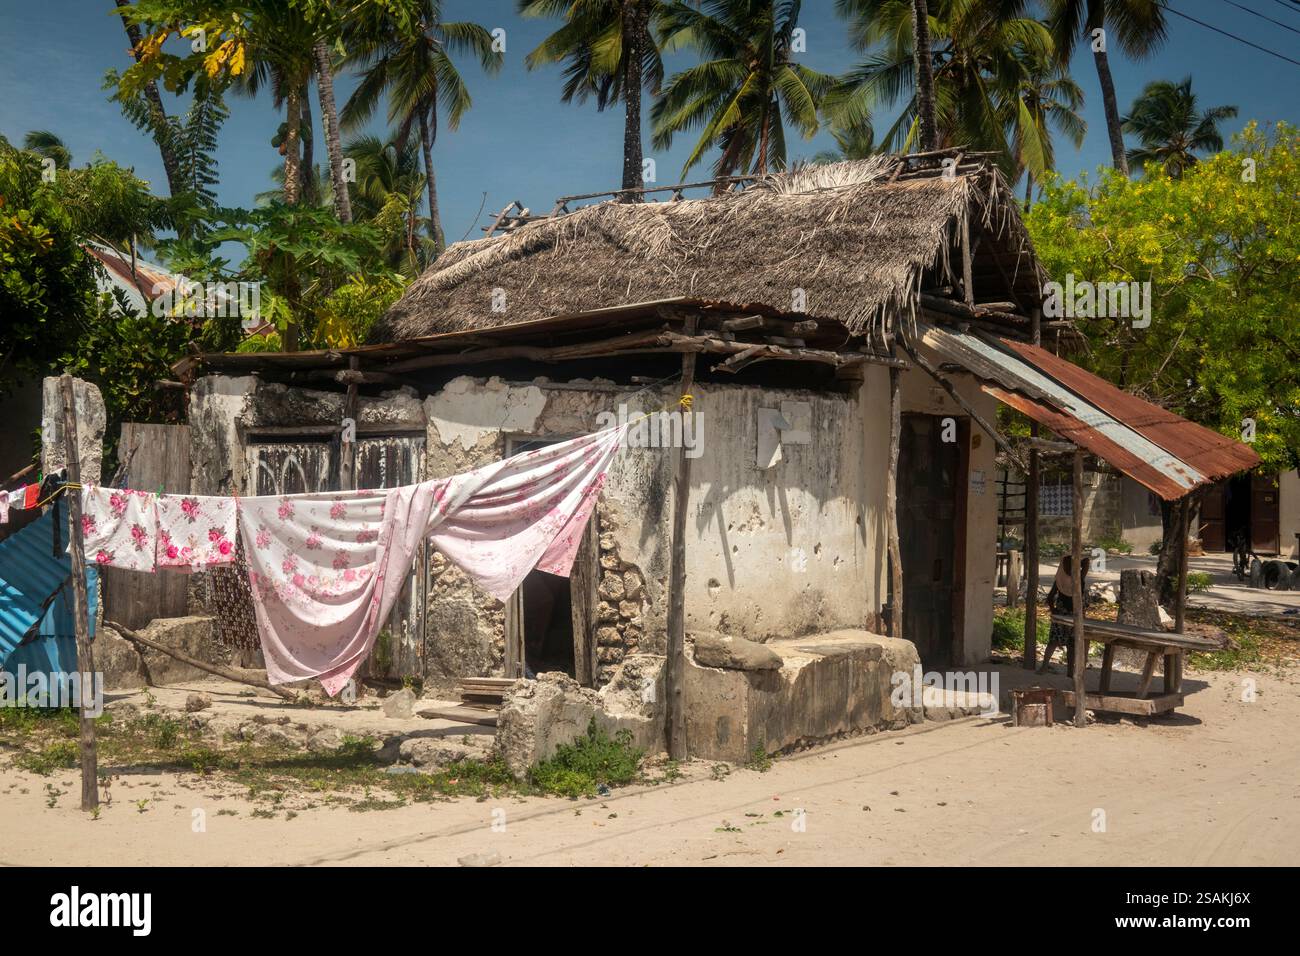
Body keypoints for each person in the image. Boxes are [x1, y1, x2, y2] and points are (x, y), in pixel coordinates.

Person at [1037, 553, 1090, 674]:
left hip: (1067, 615)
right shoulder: (1076, 579)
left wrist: (1053, 610)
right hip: (1069, 615)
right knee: (1063, 643)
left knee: (1059, 643)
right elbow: (1050, 598)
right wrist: (1053, 610)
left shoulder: (1069, 579)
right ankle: (1064, 670)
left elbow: (1050, 598)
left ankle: (1049, 667)